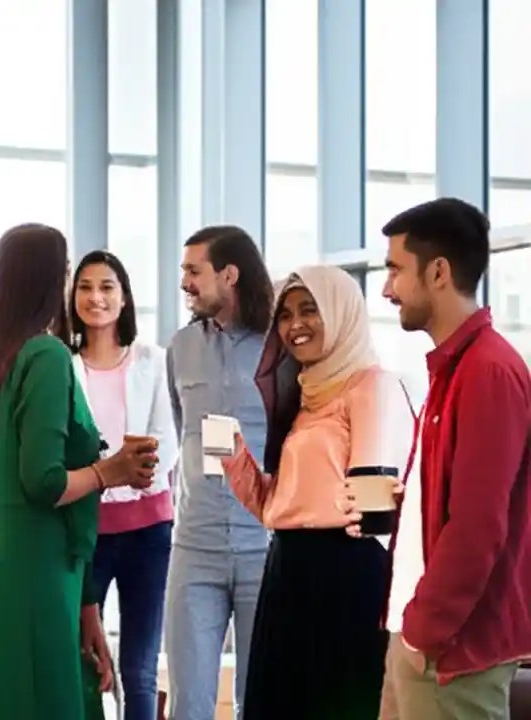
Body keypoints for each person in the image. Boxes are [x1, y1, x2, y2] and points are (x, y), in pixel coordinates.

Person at [0, 224, 158, 720]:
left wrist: (87, 607)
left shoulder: (12, 357)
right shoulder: (46, 356)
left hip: (34, 577)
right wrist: (112, 471)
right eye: (69, 273)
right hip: (36, 584)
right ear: (49, 279)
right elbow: (43, 482)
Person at [354, 198, 531, 720]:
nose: (387, 289)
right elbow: (463, 498)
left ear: (437, 272)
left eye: (394, 270)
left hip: (449, 650)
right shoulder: (455, 369)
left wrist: (425, 631)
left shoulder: (487, 372)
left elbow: (479, 526)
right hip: (423, 637)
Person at [219, 265, 414, 719]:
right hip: (288, 566)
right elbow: (276, 508)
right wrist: (234, 458)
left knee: (337, 703)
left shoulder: (371, 384)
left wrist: (377, 509)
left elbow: (371, 502)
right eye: (285, 315)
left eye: (310, 310)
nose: (294, 325)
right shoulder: (306, 397)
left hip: (344, 571)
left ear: (341, 313)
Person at [164, 225, 273, 720]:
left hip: (264, 549)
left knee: (262, 700)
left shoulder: (279, 349)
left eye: (193, 270)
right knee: (190, 702)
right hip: (194, 549)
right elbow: (183, 428)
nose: (184, 281)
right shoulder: (179, 348)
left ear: (229, 274)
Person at [68, 250, 178, 720]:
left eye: (107, 286)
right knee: (83, 658)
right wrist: (110, 472)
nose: (96, 297)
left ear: (125, 297)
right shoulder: (62, 363)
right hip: (83, 531)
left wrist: (116, 476)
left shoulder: (154, 360)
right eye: (86, 287)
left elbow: (164, 445)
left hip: (148, 533)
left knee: (139, 667)